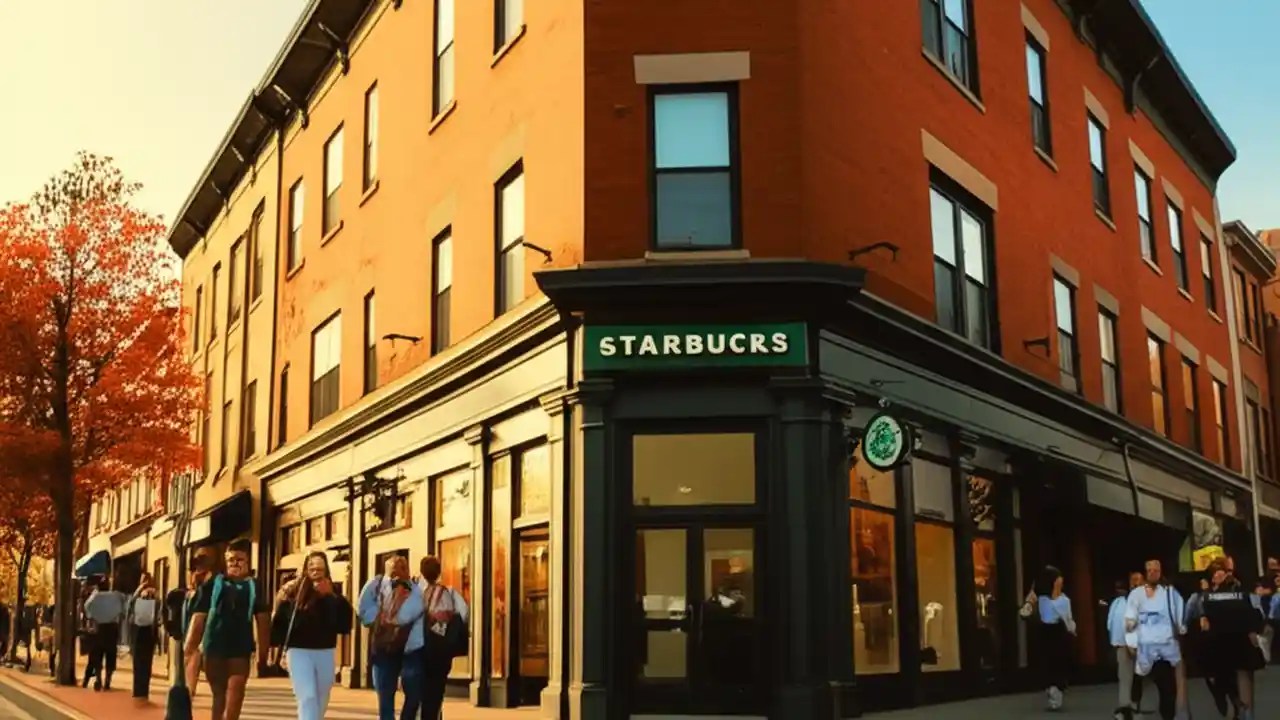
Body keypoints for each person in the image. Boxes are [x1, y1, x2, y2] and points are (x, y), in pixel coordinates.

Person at [186, 540, 272, 720]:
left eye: (240, 559)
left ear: (248, 562)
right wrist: (189, 649)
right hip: (214, 646)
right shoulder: (214, 583)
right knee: (219, 695)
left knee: (236, 691)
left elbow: (263, 619)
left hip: (240, 648)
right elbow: (199, 617)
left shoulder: (254, 586)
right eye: (231, 560)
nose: (235, 564)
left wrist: (263, 655)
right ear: (225, 561)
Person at [276, 552, 353, 720]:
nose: (316, 572)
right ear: (305, 569)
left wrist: (331, 596)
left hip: (325, 650)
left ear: (326, 570)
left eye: (320, 568)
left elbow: (345, 622)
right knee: (307, 697)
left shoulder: (333, 591)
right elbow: (281, 620)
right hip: (298, 651)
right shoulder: (294, 590)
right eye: (312, 568)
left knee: (322, 695)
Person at [358, 555, 426, 720]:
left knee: (414, 692)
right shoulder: (376, 585)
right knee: (385, 694)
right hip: (383, 649)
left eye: (403, 569)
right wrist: (380, 618)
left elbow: (418, 608)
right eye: (394, 571)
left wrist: (396, 619)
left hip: (410, 649)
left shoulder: (416, 589)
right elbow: (362, 609)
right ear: (387, 571)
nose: (399, 575)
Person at [1202, 556, 1265, 720]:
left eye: (1222, 572)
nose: (1219, 575)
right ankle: (1229, 701)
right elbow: (1192, 614)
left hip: (1239, 639)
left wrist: (1254, 630)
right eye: (1215, 573)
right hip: (1215, 643)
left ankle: (1244, 711)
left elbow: (1255, 610)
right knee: (1217, 678)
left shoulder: (1239, 587)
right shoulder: (1205, 595)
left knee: (1242, 677)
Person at [1125, 559, 1188, 720]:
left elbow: (1179, 612)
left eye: (1156, 570)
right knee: (1139, 680)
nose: (1153, 573)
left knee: (1167, 687)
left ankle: (1168, 715)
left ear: (1160, 572)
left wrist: (1181, 628)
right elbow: (1130, 619)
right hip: (1144, 646)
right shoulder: (1136, 594)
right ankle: (1134, 706)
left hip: (1165, 646)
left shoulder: (1169, 593)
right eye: (1150, 570)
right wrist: (1131, 642)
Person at [418, 555, 470, 720]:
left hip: (420, 647)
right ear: (439, 572)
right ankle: (434, 715)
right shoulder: (449, 592)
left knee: (422, 688)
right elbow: (465, 614)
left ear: (422, 572)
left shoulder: (417, 592)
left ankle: (425, 714)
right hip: (441, 649)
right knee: (437, 687)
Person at [1032, 565, 1075, 711]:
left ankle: (1057, 695)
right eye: (1057, 579)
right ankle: (1050, 691)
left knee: (1059, 663)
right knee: (1046, 663)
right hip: (1045, 632)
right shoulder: (1042, 599)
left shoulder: (1065, 600)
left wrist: (1071, 629)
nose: (1060, 582)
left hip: (1059, 632)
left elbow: (1068, 619)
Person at [84, 575, 128, 691]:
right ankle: (108, 681)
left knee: (98, 655)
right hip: (112, 628)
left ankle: (98, 679)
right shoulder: (116, 596)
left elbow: (87, 606)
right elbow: (124, 607)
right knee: (110, 655)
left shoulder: (95, 596)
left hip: (99, 627)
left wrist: (92, 617)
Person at [1108, 576, 1141, 720]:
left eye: (1138, 580)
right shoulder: (1118, 602)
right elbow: (1110, 624)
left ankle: (1134, 706)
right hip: (1122, 644)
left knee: (1137, 677)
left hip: (1142, 645)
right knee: (1125, 676)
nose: (1135, 583)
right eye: (1133, 580)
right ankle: (1125, 707)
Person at [130, 572, 160, 702]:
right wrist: (139, 589)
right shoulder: (138, 595)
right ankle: (138, 690)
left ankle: (143, 690)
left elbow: (158, 610)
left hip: (148, 630)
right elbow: (131, 605)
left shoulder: (155, 595)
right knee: (138, 661)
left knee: (145, 662)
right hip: (139, 630)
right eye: (143, 580)